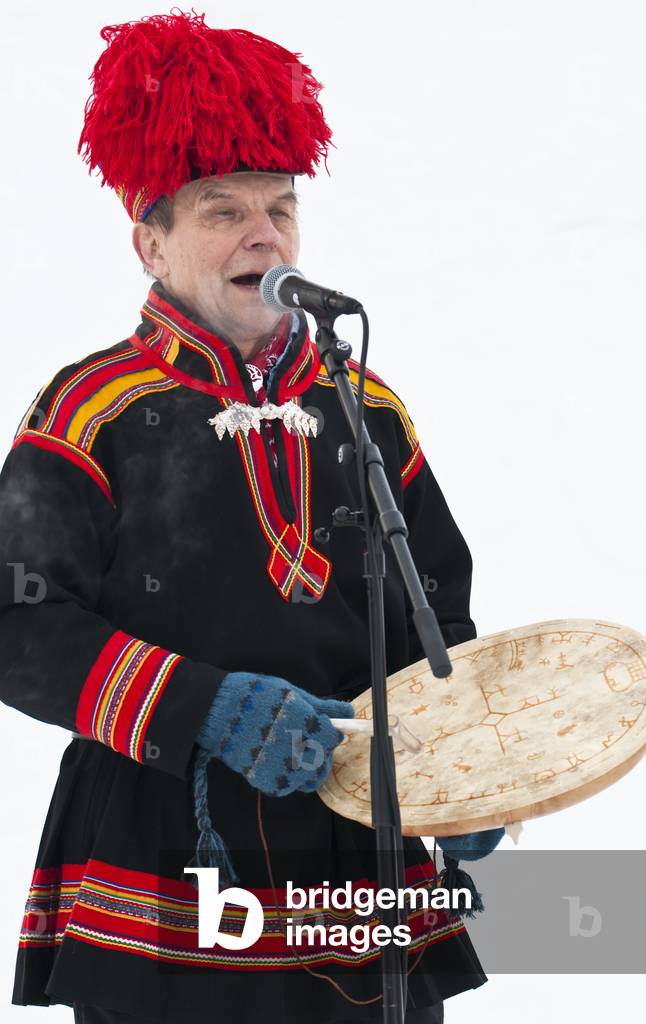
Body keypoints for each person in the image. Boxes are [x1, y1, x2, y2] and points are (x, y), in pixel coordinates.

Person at [0, 11, 504, 1024]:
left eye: (280, 207)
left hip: (360, 854)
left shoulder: (366, 407)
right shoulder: (87, 409)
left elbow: (438, 618)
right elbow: (18, 623)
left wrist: (462, 765)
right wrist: (199, 705)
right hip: (164, 849)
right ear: (150, 243)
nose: (263, 233)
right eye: (222, 211)